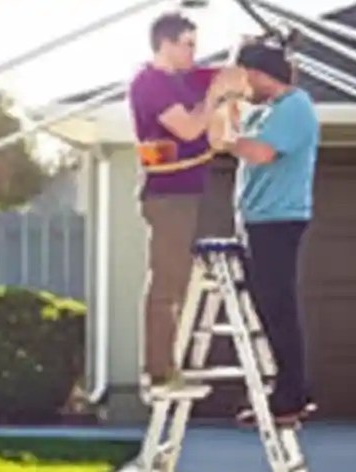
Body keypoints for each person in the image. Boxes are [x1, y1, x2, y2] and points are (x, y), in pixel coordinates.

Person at [127, 12, 234, 397]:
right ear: (166, 44)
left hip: (193, 192)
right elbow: (189, 128)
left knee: (187, 281)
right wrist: (214, 98)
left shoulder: (188, 79)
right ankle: (157, 371)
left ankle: (172, 365)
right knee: (167, 283)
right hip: (167, 195)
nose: (194, 52)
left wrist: (256, 59)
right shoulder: (149, 84)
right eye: (188, 44)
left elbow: (234, 78)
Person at [214, 40, 320, 425]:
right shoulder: (268, 111)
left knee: (278, 307)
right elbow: (241, 129)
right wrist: (227, 101)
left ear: (260, 74)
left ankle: (292, 394)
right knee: (266, 307)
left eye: (245, 77)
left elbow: (260, 153)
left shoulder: (295, 107)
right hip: (257, 221)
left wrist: (225, 141)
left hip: (278, 221)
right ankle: (287, 390)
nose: (244, 86)